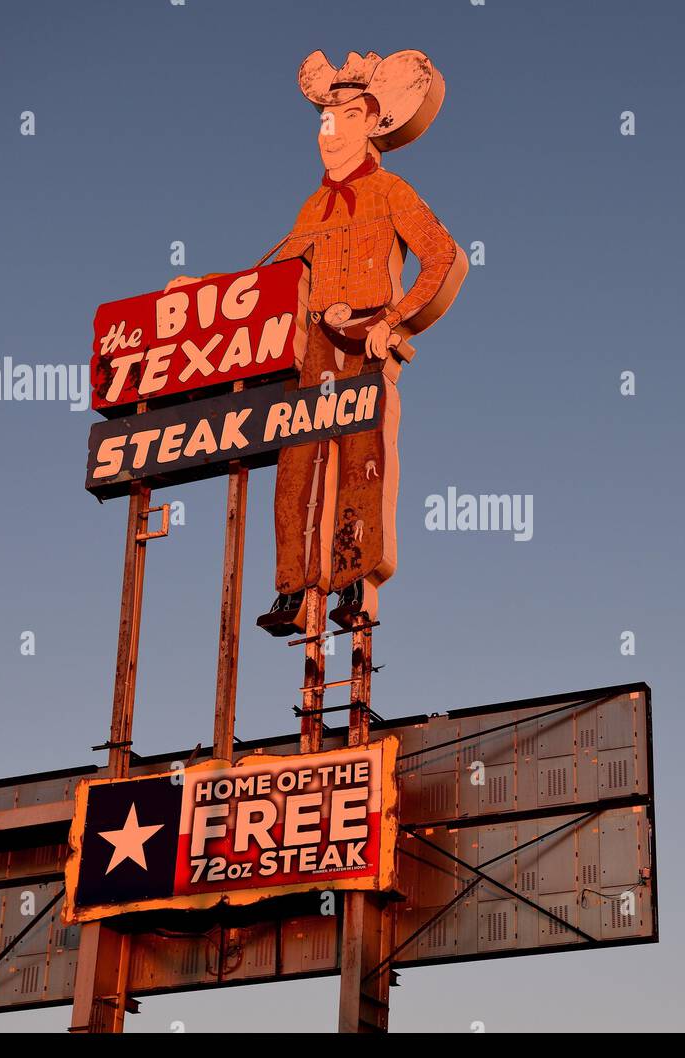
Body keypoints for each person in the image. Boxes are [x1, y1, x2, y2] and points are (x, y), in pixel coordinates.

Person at [167, 50, 467, 635]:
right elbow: (271, 275)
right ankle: (292, 588)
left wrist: (395, 318)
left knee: (363, 457)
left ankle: (353, 576)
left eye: (347, 116)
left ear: (373, 122)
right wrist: (203, 290)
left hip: (366, 338)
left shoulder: (390, 191)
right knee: (296, 461)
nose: (330, 131)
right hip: (312, 344)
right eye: (325, 118)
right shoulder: (314, 205)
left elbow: (443, 256)